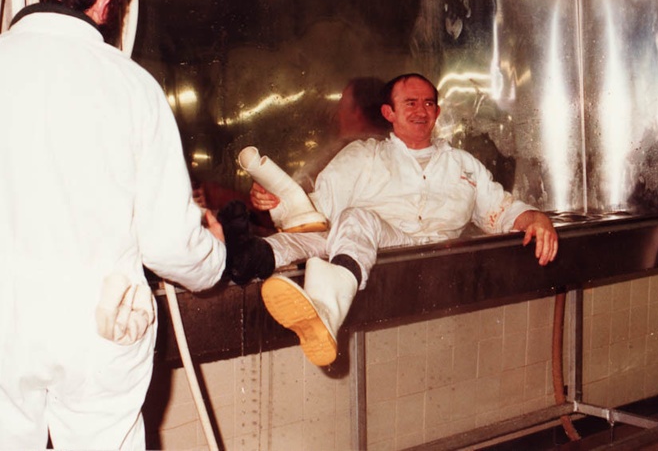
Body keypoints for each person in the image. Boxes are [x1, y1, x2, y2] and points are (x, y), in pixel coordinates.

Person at [0, 0, 226, 450]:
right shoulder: (131, 86)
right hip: (99, 325)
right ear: (107, 1)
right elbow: (169, 243)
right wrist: (213, 255)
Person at [221, 73, 558, 367]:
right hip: (365, 246)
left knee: (355, 220)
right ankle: (240, 260)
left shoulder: (464, 165)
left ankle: (326, 307)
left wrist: (536, 218)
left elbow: (501, 209)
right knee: (313, 237)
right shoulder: (362, 156)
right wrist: (275, 202)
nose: (421, 111)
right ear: (389, 112)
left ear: (438, 112)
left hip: (425, 256)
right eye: (410, 103)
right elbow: (315, 213)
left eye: (428, 103)